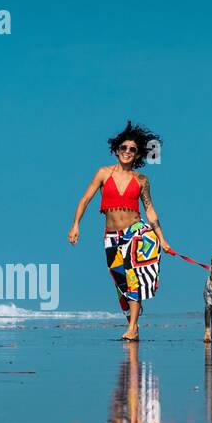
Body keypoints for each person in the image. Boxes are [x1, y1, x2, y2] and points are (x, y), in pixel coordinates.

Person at [68, 120, 171, 340]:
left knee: (133, 279)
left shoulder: (142, 180)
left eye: (132, 149)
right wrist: (76, 224)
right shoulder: (103, 173)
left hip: (135, 234)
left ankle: (132, 328)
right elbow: (85, 199)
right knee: (119, 281)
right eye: (123, 148)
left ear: (138, 155)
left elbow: (150, 210)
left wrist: (162, 239)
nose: (127, 152)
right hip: (111, 236)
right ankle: (132, 320)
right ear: (116, 150)